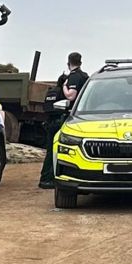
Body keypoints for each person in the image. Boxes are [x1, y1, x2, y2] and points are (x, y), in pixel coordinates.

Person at [39, 52, 89, 189]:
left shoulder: (73, 77)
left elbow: (71, 96)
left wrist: (64, 87)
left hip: (64, 118)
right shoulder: (86, 77)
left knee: (52, 149)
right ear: (81, 62)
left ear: (68, 63)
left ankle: (46, 178)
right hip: (81, 119)